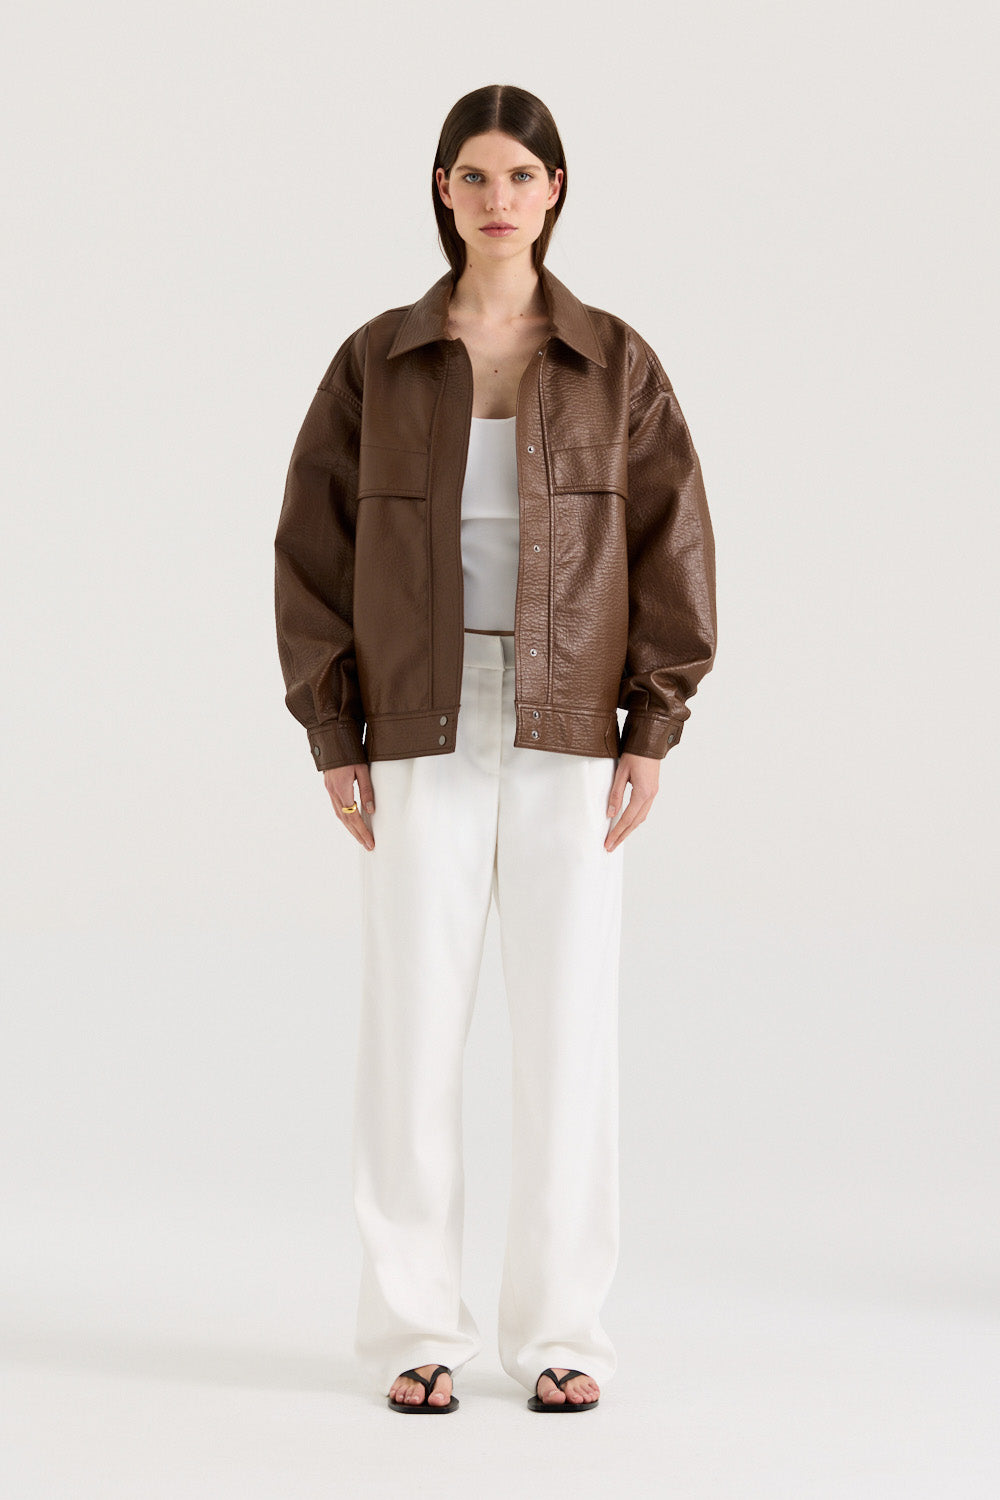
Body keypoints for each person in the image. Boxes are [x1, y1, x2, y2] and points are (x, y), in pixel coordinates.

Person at [273, 83, 717, 1415]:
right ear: (443, 190)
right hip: (420, 717)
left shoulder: (614, 361)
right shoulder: (379, 359)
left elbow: (672, 543)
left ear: (556, 190)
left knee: (569, 1031)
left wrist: (653, 724)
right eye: (475, 175)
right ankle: (416, 1327)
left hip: (571, 724)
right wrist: (333, 728)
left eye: (522, 175)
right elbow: (311, 550)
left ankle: (564, 1331)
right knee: (412, 1032)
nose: (499, 198)